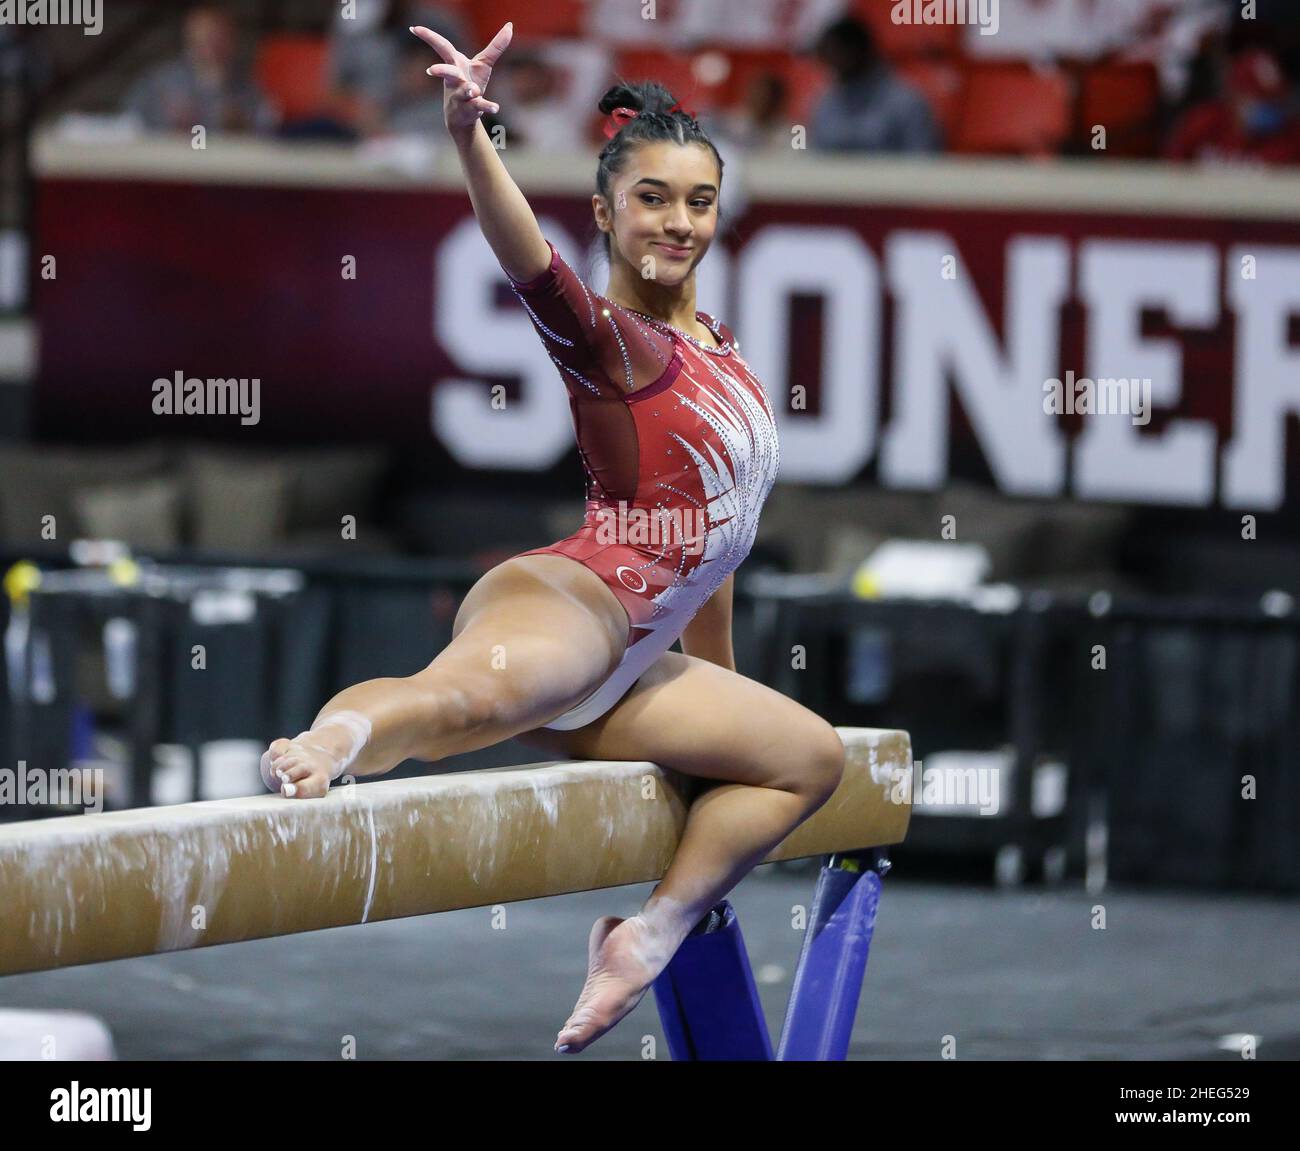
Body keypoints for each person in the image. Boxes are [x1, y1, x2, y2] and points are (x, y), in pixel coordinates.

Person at [258, 21, 847, 1057]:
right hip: (571, 604)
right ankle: (331, 744)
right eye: (652, 199)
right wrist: (471, 137)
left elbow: (714, 560)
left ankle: (644, 935)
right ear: (607, 211)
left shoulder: (722, 352)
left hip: (637, 657)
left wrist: (721, 709)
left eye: (698, 201)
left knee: (807, 757)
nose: (678, 223)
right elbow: (528, 265)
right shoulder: (612, 343)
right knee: (460, 702)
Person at [123, 6, 274, 135]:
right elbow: (130, 124)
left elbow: (267, 128)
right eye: (203, 39)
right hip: (171, 162)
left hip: (225, 163)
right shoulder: (160, 81)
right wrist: (167, 123)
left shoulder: (250, 86)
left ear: (232, 40)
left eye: (218, 39)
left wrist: (241, 127)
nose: (212, 48)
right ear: (190, 40)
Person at [809, 15, 940, 154]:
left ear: (859, 51)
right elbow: (816, 158)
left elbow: (923, 161)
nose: (831, 63)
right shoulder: (826, 103)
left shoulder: (906, 103)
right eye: (826, 55)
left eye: (837, 54)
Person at [1165, 48, 1300, 166]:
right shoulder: (1204, 123)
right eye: (1261, 99)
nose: (1271, 106)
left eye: (1275, 99)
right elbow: (1171, 168)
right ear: (1236, 96)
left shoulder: (1292, 136)